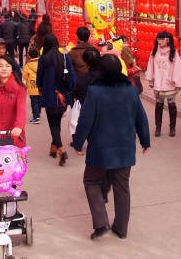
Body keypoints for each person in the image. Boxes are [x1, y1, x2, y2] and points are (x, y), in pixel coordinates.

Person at [73, 54, 151, 240]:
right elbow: (141, 117)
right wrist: (145, 141)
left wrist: (78, 142)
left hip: (100, 148)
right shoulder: (131, 91)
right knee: (122, 187)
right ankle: (121, 228)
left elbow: (85, 120)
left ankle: (101, 222)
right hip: (124, 148)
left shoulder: (95, 91)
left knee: (91, 182)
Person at [37, 33, 76, 166]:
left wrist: (40, 88)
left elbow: (39, 78)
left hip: (49, 95)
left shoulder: (43, 59)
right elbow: (72, 76)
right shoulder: (65, 57)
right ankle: (53, 148)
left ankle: (61, 149)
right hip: (63, 96)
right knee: (57, 121)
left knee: (53, 124)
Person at [145, 30, 181, 137]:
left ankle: (172, 128)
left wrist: (177, 82)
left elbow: (177, 67)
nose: (158, 41)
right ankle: (158, 127)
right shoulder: (154, 51)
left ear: (167, 40)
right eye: (158, 39)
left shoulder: (173, 52)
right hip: (158, 82)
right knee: (159, 104)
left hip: (170, 83)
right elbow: (151, 66)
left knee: (171, 105)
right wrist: (151, 79)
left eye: (161, 39)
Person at [23, 47, 41, 124]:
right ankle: (38, 113)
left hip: (32, 86)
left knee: (34, 102)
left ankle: (36, 117)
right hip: (40, 86)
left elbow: (25, 76)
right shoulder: (41, 63)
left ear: (29, 56)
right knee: (39, 101)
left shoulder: (27, 66)